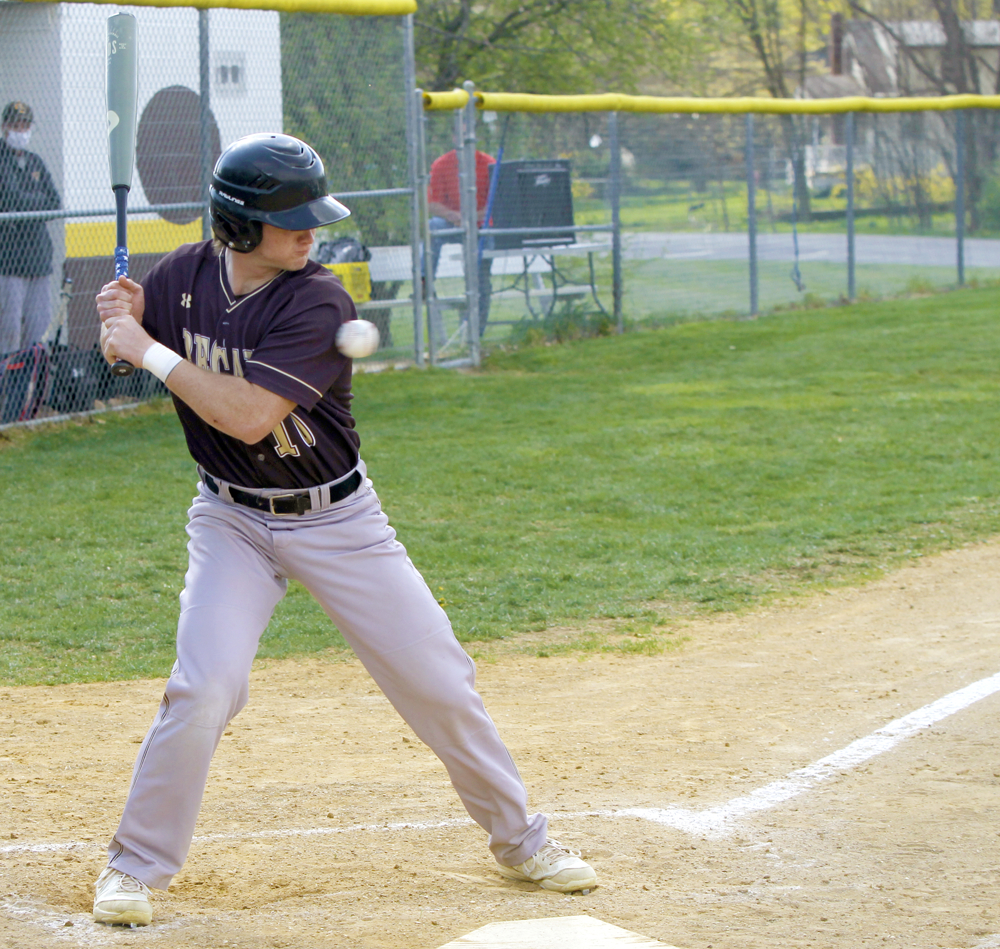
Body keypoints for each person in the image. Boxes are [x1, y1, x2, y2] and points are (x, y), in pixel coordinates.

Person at [91, 133, 596, 927]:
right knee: (204, 686)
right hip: (231, 521)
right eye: (292, 218)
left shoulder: (318, 299)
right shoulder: (181, 276)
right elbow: (123, 343)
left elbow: (249, 416)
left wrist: (145, 348)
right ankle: (133, 864)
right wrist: (118, 319)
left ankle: (521, 839)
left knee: (438, 678)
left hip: (339, 519)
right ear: (239, 224)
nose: (310, 232)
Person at [0, 101, 61, 355]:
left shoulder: (35, 161)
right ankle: (7, 378)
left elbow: (54, 202)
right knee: (9, 330)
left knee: (37, 331)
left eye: (25, 125)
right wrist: (36, 202)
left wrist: (26, 204)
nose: (21, 131)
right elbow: (9, 199)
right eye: (16, 125)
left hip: (38, 260)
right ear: (4, 127)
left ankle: (33, 379)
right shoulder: (2, 160)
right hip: (9, 261)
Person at [427, 147, 495, 336]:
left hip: (481, 226)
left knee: (480, 280)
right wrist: (452, 215)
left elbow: (496, 203)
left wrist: (472, 217)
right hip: (453, 223)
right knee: (433, 225)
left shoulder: (489, 163)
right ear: (454, 137)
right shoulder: (442, 164)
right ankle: (425, 282)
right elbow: (433, 203)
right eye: (460, 135)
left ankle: (475, 333)